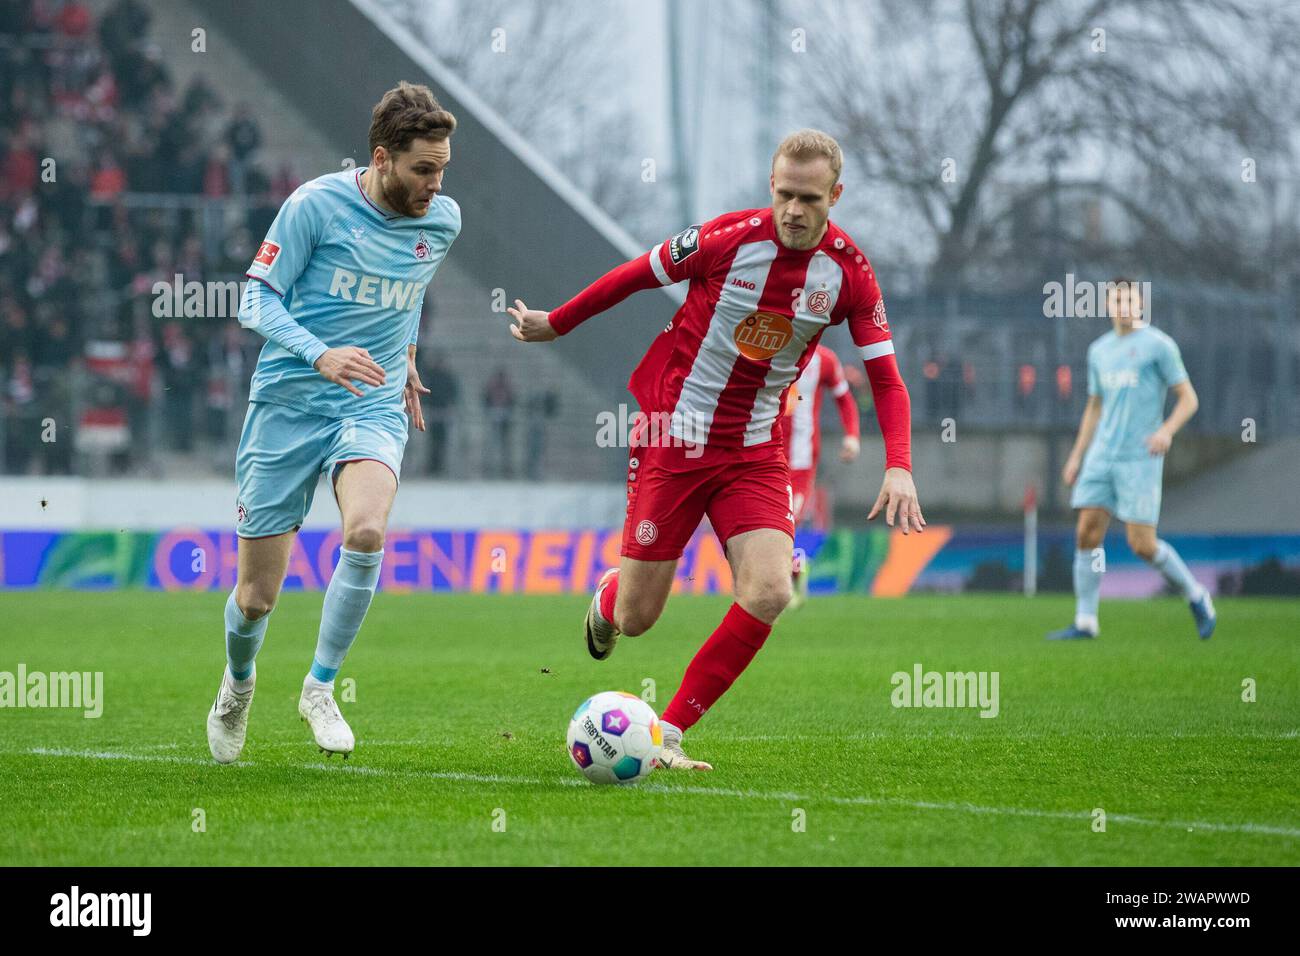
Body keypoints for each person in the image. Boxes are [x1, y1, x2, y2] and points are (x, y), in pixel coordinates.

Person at [508, 129, 922, 770]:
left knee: (771, 591)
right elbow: (633, 275)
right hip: (673, 438)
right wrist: (556, 322)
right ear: (770, 185)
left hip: (754, 450)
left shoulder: (849, 275)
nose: (793, 209)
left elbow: (888, 379)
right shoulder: (725, 239)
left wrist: (899, 465)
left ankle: (666, 733)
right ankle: (614, 597)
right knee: (641, 618)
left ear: (835, 196)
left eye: (809, 198)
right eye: (784, 193)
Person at [206, 82, 460, 763]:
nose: (435, 185)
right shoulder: (315, 206)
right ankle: (238, 683)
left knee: (368, 529)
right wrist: (320, 354)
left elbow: (407, 295)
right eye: (422, 170)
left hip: (370, 402)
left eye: (441, 170)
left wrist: (405, 355)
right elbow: (253, 301)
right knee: (257, 597)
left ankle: (320, 687)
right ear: (382, 159)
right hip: (290, 400)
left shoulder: (442, 222)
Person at [1049, 279, 1215, 640]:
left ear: (1140, 305)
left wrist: (1166, 431)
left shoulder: (1159, 346)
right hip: (1102, 455)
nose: (1123, 305)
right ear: (1107, 305)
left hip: (1139, 458)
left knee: (1141, 543)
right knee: (1087, 532)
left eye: (1129, 299)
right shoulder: (1099, 351)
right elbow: (1094, 407)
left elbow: (1189, 398)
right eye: (1116, 299)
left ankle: (1197, 595)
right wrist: (1077, 456)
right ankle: (1085, 621)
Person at [779, 342, 860, 608]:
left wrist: (852, 436)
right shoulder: (770, 348)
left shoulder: (825, 360)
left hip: (801, 459)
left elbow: (844, 398)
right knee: (767, 526)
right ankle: (789, 571)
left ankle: (789, 576)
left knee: (787, 524)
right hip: (763, 455)